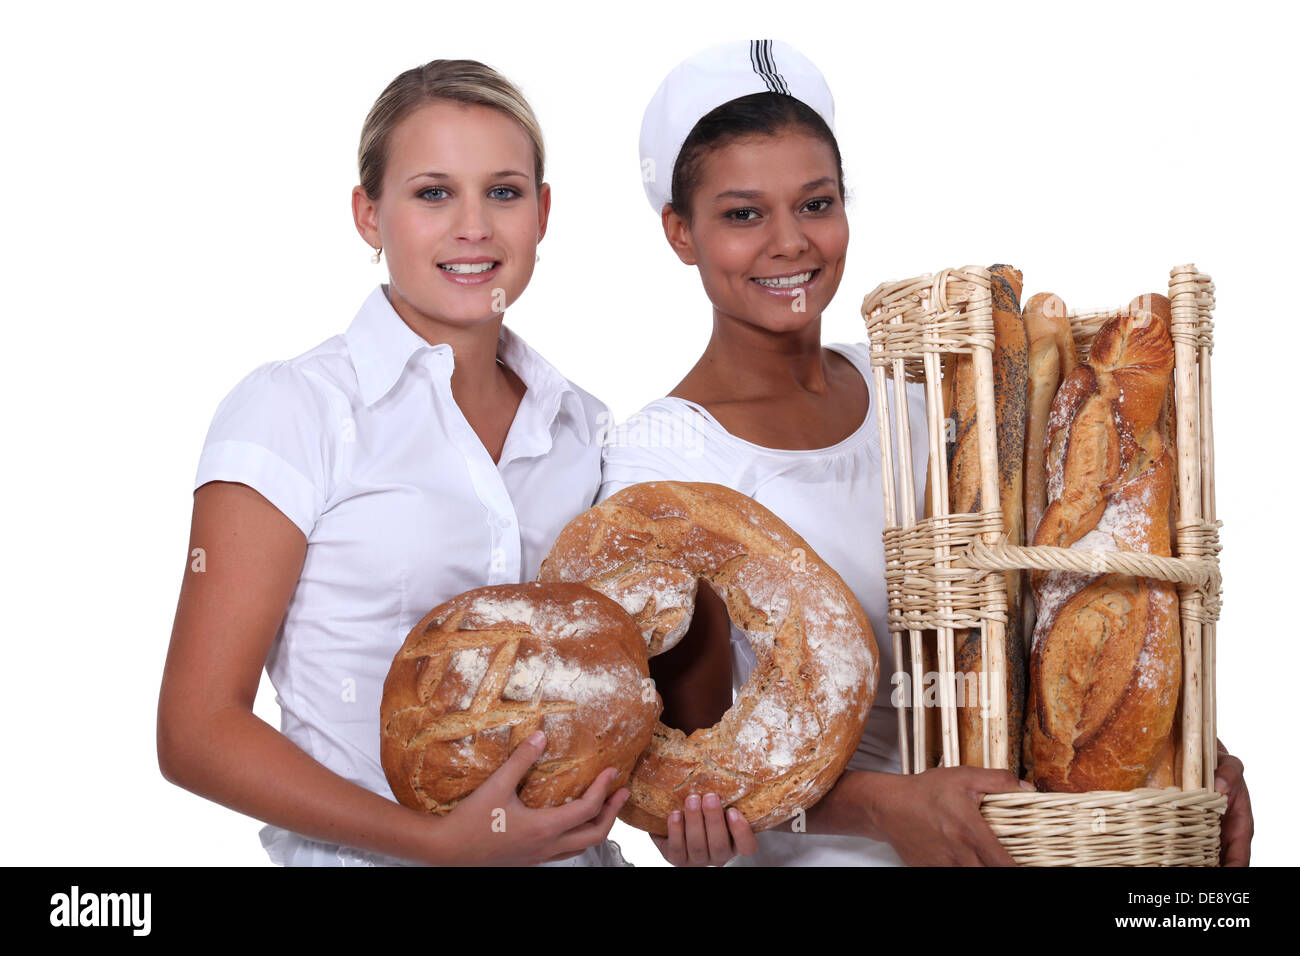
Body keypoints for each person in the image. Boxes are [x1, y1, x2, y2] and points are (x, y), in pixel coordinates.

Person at [603, 40, 1254, 867]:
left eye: (815, 203)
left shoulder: (926, 389)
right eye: (742, 214)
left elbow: (1046, 607)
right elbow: (684, 774)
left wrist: (1191, 755)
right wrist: (885, 809)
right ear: (679, 232)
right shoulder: (666, 469)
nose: (790, 242)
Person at [157, 58, 629, 867]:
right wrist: (435, 845)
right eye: (433, 192)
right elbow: (195, 731)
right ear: (368, 214)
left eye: (504, 191)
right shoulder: (295, 410)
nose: (474, 226)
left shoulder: (582, 426)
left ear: (543, 213)